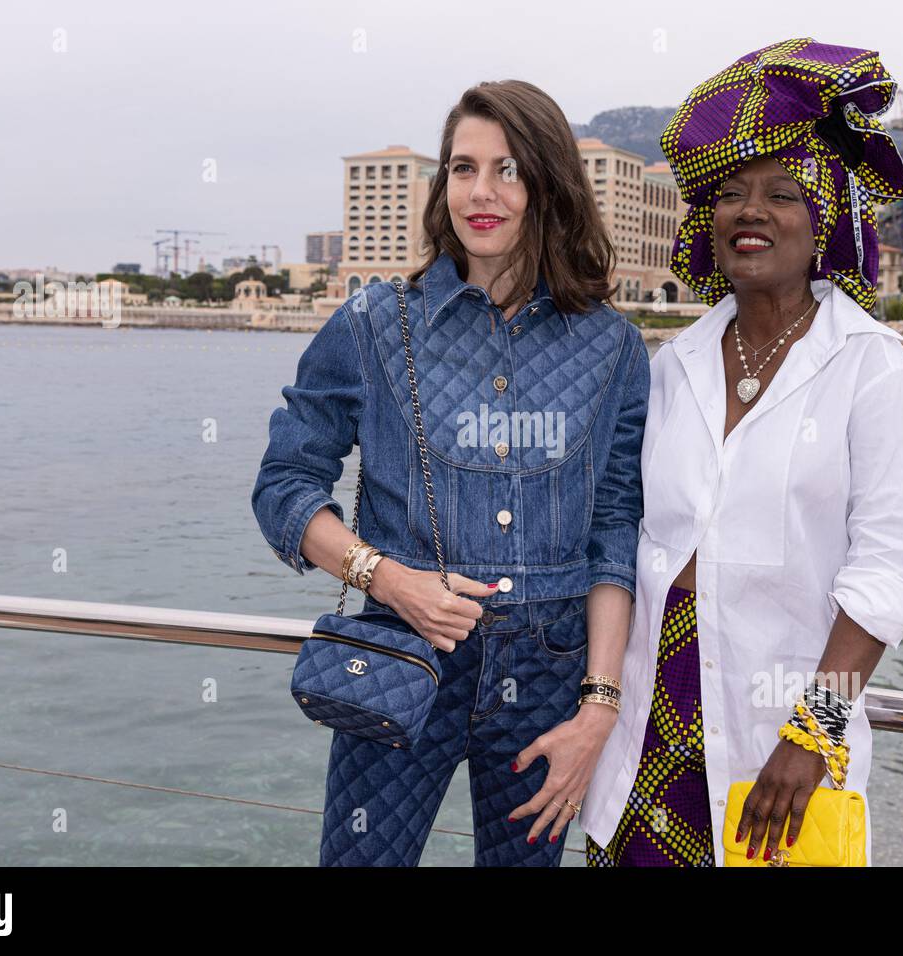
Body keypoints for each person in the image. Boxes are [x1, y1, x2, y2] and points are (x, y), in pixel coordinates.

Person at [252, 79, 649, 866]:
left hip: (549, 677)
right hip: (403, 656)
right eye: (463, 168)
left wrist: (599, 708)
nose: (482, 192)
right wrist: (388, 579)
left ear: (548, 185)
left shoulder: (613, 348)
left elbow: (614, 531)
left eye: (508, 169)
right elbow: (283, 486)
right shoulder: (372, 324)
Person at [579, 38, 903, 867]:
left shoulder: (871, 366)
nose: (752, 212)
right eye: (732, 195)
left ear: (826, 220)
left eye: (782, 194)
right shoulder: (674, 364)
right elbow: (632, 534)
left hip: (784, 731)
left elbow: (892, 566)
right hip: (648, 727)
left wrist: (816, 728)